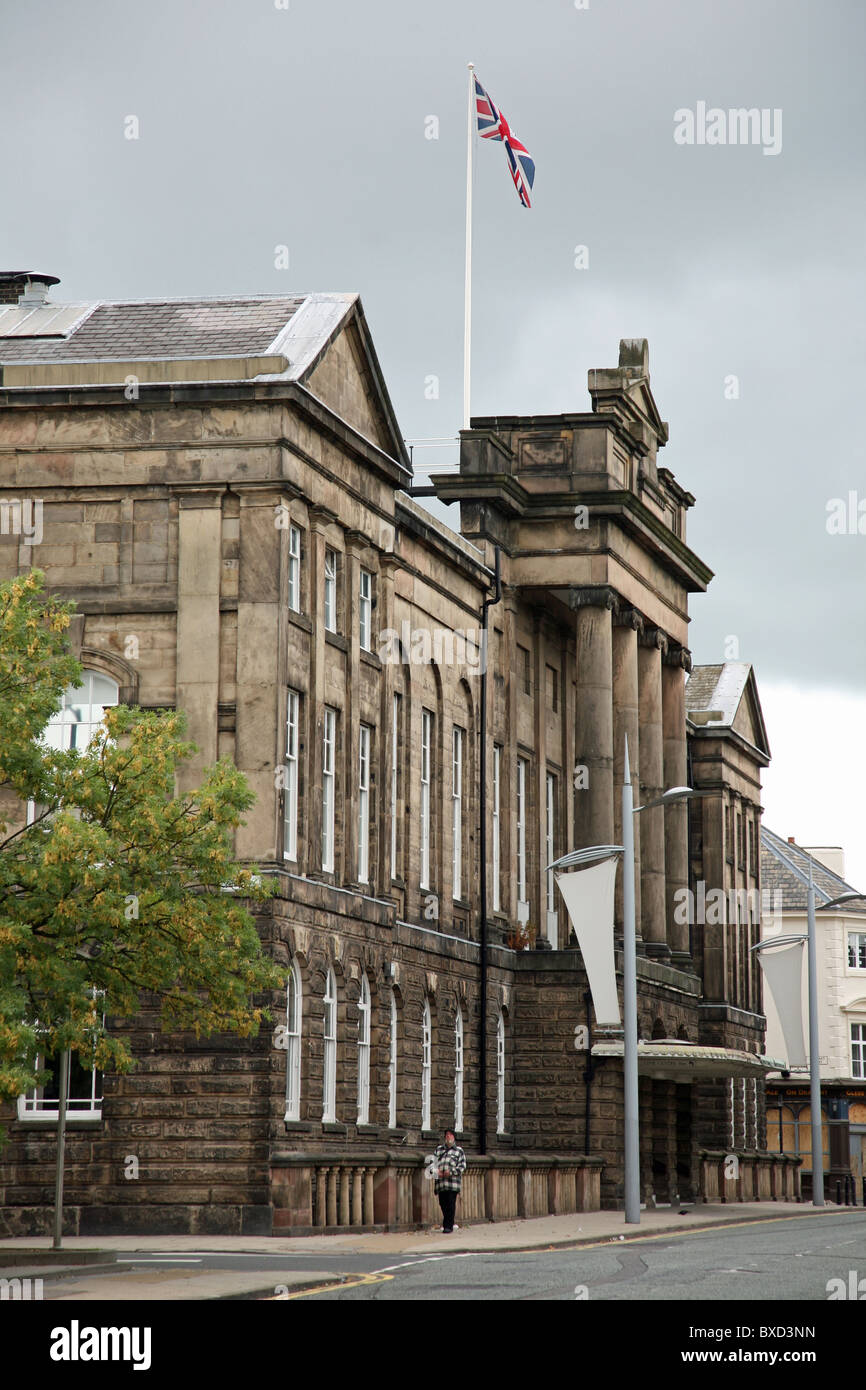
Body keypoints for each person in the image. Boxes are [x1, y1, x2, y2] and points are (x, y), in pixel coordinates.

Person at [432, 1128, 466, 1233]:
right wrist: (437, 1171)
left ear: (454, 1137)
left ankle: (448, 1226)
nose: (448, 1137)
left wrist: (450, 1172)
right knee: (443, 1203)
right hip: (441, 1183)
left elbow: (462, 1166)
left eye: (450, 1135)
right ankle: (448, 1223)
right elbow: (432, 1164)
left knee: (451, 1204)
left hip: (453, 1183)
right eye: (446, 1135)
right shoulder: (439, 1150)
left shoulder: (459, 1151)